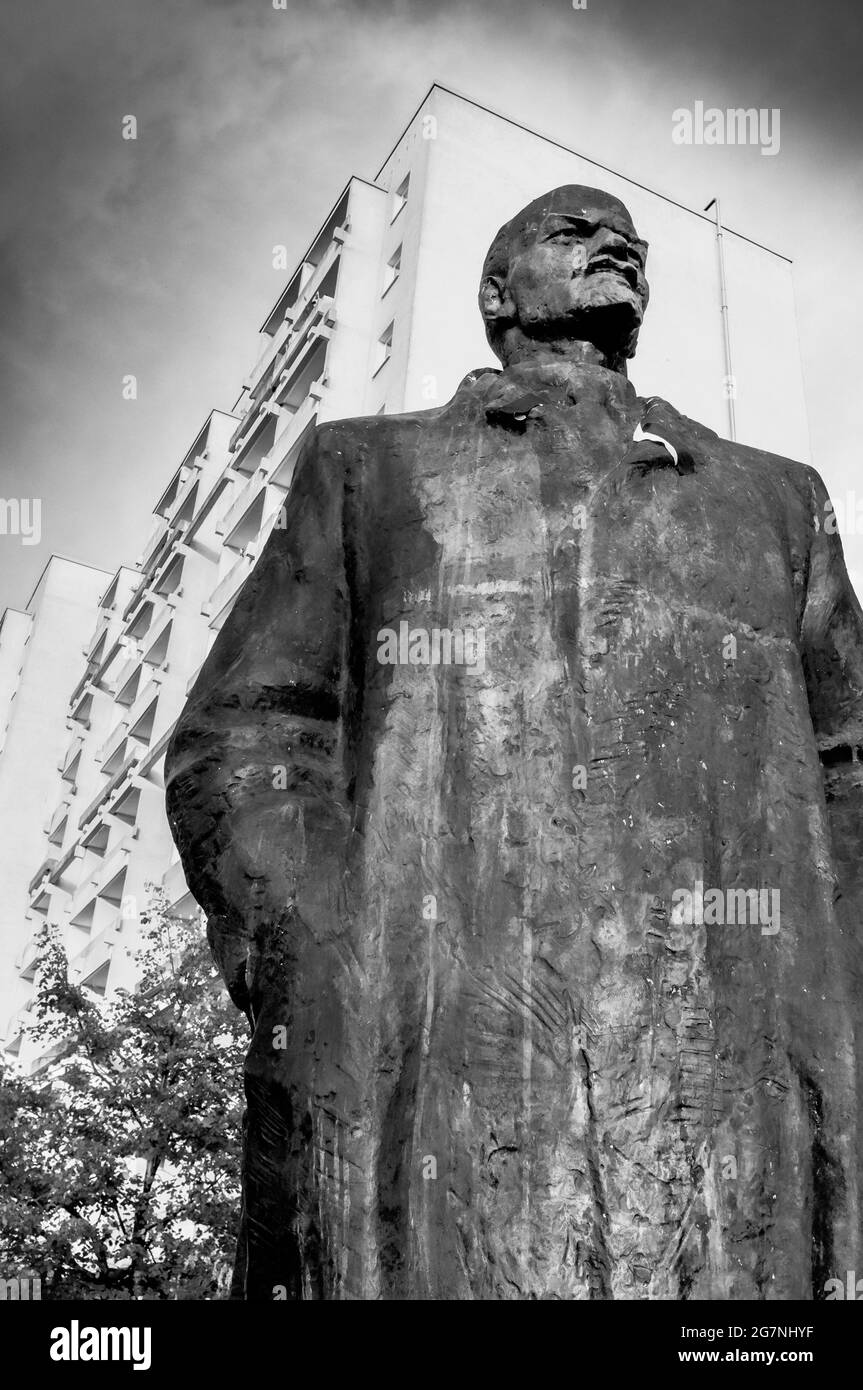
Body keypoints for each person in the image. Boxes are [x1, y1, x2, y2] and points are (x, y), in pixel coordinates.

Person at [166, 186, 863, 1299]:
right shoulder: (368, 469)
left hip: (726, 1063)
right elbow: (253, 729)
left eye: (628, 241)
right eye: (572, 233)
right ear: (498, 290)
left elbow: (847, 764)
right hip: (442, 1034)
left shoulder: (775, 500)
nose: (614, 247)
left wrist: (835, 997)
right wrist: (329, 943)